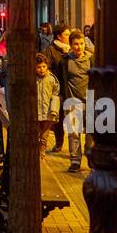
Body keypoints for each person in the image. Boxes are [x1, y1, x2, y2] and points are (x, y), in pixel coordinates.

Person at [63, 30, 92, 172]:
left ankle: (91, 156)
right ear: (70, 45)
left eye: (81, 44)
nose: (79, 47)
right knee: (73, 132)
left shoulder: (91, 59)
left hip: (90, 101)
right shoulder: (66, 61)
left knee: (91, 132)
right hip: (73, 102)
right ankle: (75, 160)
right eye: (76, 44)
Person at [41, 24, 72, 153]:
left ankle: (72, 146)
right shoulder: (51, 50)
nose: (68, 37)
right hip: (58, 89)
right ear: (59, 36)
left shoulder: (71, 50)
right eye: (66, 35)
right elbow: (47, 69)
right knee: (58, 118)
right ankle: (59, 142)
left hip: (70, 87)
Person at [36, 55, 60, 153]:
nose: (41, 69)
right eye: (39, 67)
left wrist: (54, 109)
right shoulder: (33, 79)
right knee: (36, 133)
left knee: (44, 134)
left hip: (48, 111)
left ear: (47, 66)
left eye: (44, 66)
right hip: (37, 111)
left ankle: (42, 151)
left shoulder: (51, 79)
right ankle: (36, 150)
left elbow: (55, 93)